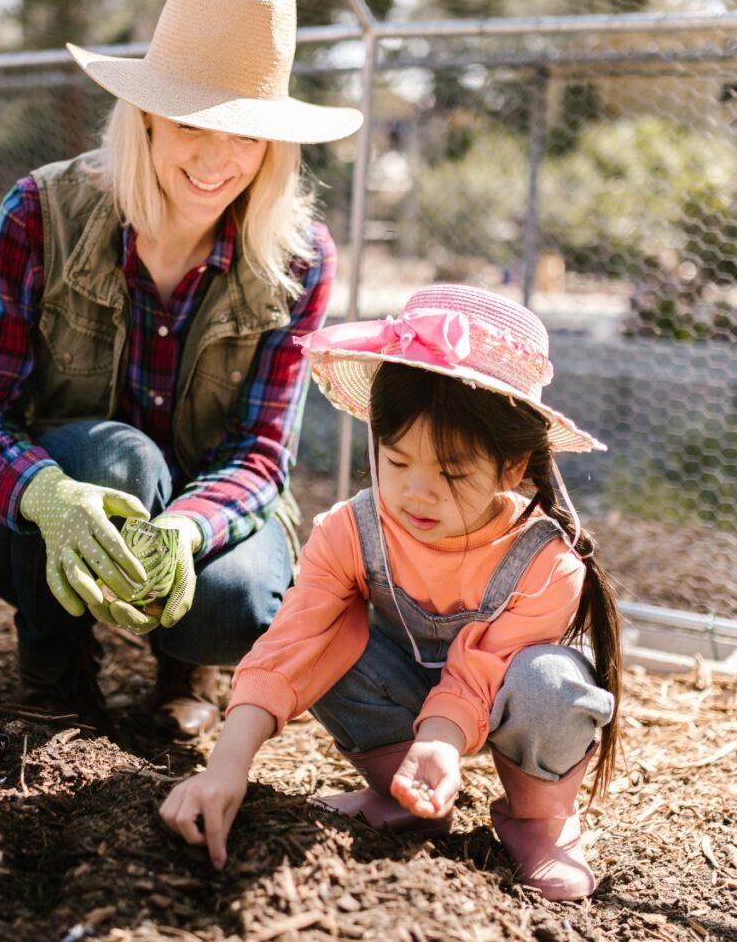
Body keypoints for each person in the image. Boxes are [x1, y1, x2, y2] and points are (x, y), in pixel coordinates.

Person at [0, 0, 363, 738]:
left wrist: (189, 528)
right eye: (193, 122)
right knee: (118, 462)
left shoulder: (300, 259)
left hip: (202, 512)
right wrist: (51, 499)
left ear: (275, 147)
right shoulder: (40, 213)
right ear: (148, 118)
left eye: (247, 134)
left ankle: (184, 667)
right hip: (32, 526)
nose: (217, 158)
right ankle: (56, 668)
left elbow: (263, 454)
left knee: (234, 605)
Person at [160, 284, 622, 902]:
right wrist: (226, 768)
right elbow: (291, 644)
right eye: (396, 460)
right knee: (330, 648)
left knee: (553, 682)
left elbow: (480, 671)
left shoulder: (547, 563)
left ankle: (537, 820)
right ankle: (406, 795)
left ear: (512, 468)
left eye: (452, 472)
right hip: (400, 710)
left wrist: (443, 739)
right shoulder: (351, 532)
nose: (415, 493)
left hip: (496, 700)